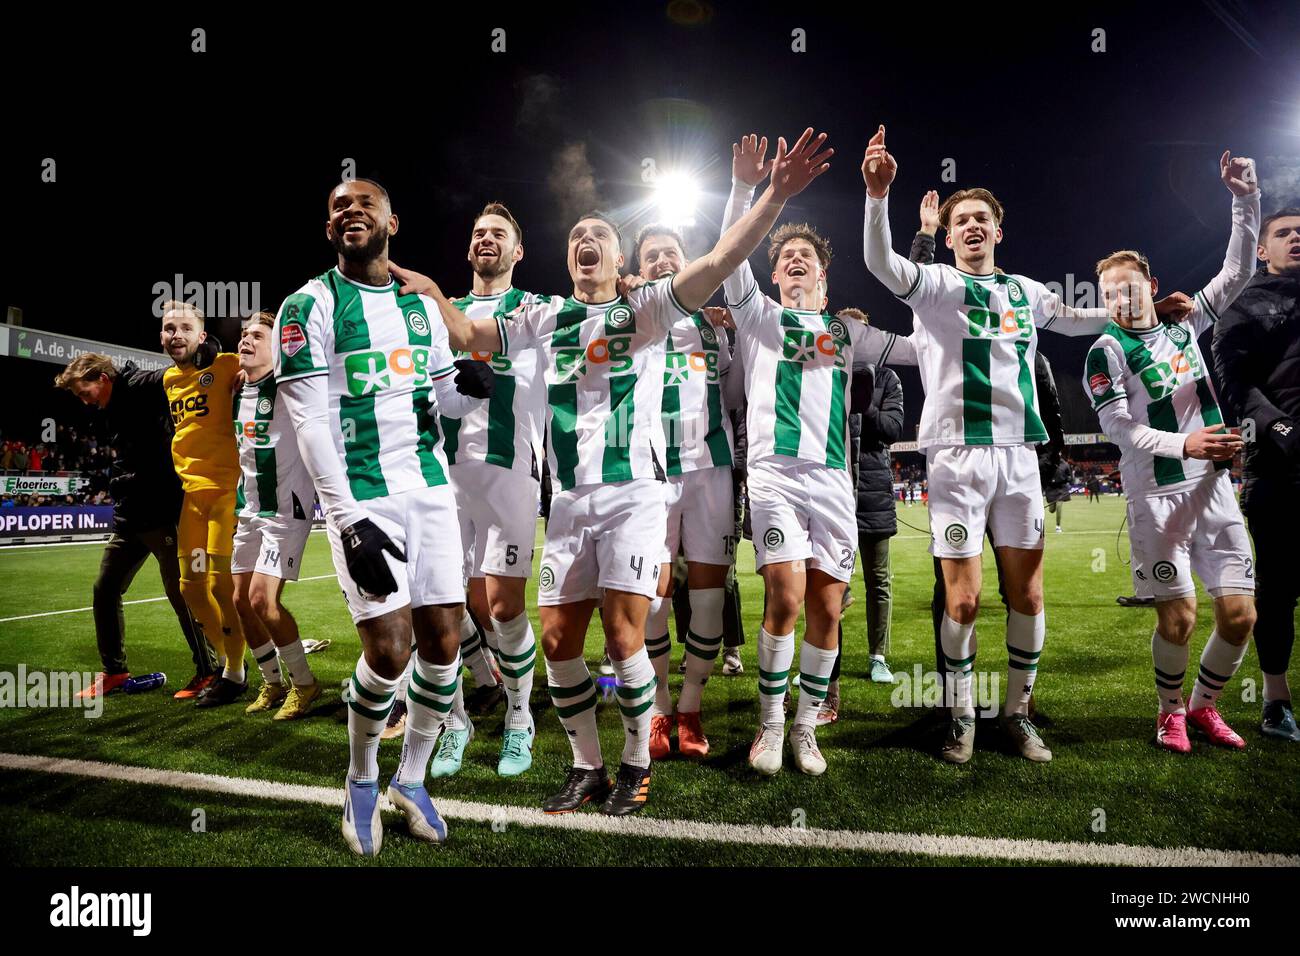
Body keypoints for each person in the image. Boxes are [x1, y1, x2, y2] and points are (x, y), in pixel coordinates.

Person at [411, 126, 834, 807]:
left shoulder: (648, 309)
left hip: (637, 495)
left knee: (623, 633)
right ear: (568, 255)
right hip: (570, 502)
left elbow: (725, 255)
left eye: (600, 236)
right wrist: (430, 290)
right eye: (578, 235)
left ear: (617, 258)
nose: (587, 242)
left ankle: (637, 761)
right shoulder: (542, 317)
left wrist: (770, 195)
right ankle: (587, 765)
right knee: (555, 639)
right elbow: (464, 334)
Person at [862, 125, 1123, 764]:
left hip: (1018, 457)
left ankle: (1017, 713)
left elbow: (1078, 318)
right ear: (948, 238)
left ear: (998, 232)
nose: (972, 226)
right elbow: (880, 262)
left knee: (1028, 595)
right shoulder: (934, 287)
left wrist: (1134, 306)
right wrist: (877, 196)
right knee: (965, 598)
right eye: (961, 221)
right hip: (955, 458)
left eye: (982, 218)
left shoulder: (1028, 293)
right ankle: (959, 715)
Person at [273, 178, 493, 856]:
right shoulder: (308, 303)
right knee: (389, 650)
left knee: (444, 646)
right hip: (362, 496)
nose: (351, 211)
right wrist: (345, 521)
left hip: (430, 491)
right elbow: (308, 422)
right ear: (328, 228)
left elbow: (441, 404)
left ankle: (413, 780)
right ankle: (361, 780)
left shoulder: (420, 309)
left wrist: (469, 392)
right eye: (339, 205)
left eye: (364, 203)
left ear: (392, 221)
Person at [1083, 150, 1260, 752]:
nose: (1120, 298)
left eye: (1129, 287)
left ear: (1150, 287)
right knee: (1179, 618)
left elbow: (1235, 274)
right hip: (1156, 497)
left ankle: (1205, 707)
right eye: (1109, 292)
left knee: (1240, 616)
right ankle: (1169, 714)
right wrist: (1186, 441)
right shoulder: (1102, 352)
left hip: (1213, 491)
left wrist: (1243, 199)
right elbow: (1121, 431)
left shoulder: (1184, 324)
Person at [721, 132, 878, 777]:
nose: (791, 259)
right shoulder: (759, 319)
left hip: (834, 481)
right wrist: (744, 189)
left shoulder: (848, 333)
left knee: (827, 607)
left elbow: (929, 346)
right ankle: (770, 725)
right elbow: (730, 258)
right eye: (783, 252)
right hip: (776, 476)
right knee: (783, 598)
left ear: (821, 273)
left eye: (803, 255)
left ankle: (807, 729)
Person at [437, 201, 545, 777]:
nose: (486, 240)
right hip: (444, 479)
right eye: (478, 233)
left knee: (502, 606)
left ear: (518, 251)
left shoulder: (539, 310)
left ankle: (520, 718)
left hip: (509, 473)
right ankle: (456, 721)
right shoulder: (436, 313)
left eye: (498, 234)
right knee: (443, 609)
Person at [632, 222, 738, 760]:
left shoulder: (718, 330)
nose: (661, 262)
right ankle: (657, 706)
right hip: (650, 473)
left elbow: (742, 392)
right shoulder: (630, 318)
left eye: (670, 253)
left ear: (688, 261)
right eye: (650, 257)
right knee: (653, 597)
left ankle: (691, 708)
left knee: (708, 600)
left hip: (710, 473)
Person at [54, 353, 212, 699]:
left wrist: (204, 352)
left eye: (85, 392)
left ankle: (209, 670)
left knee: (182, 592)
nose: (84, 402)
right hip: (131, 515)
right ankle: (115, 672)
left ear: (103, 378)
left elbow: (182, 372)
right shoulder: (107, 410)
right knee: (105, 588)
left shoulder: (140, 385)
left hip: (164, 509)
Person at [1214, 203, 1300, 741]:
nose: (1298, 239)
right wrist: (1284, 432)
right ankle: (1275, 698)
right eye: (1285, 232)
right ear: (1263, 250)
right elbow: (1235, 385)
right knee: (1278, 589)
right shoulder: (1246, 307)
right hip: (1281, 470)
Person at [231, 312, 322, 720]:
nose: (246, 341)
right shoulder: (236, 391)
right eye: (244, 335)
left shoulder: (290, 388)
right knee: (240, 602)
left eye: (257, 336)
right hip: (248, 508)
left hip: (287, 510)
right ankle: (272, 682)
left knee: (262, 601)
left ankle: (304, 684)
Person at [161, 300, 250, 708]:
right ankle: (231, 658)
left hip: (226, 493)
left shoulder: (228, 364)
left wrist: (250, 371)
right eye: (167, 328)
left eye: (182, 328)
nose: (173, 334)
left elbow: (262, 360)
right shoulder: (167, 381)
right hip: (191, 498)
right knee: (191, 588)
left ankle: (233, 673)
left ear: (201, 335)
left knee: (219, 584)